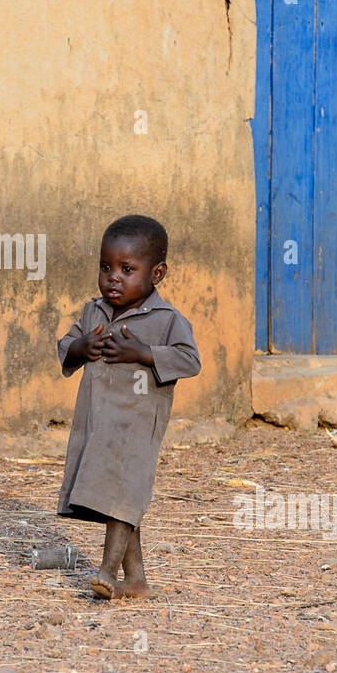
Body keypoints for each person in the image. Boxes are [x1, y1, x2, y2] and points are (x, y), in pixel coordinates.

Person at [57, 215, 201, 599]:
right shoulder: (94, 312)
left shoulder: (167, 320)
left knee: (124, 492)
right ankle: (135, 581)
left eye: (127, 269)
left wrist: (144, 353)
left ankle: (107, 570)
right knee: (120, 497)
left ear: (157, 273)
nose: (113, 278)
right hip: (99, 423)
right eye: (106, 267)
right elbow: (65, 345)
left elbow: (190, 360)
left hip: (138, 426)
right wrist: (82, 346)